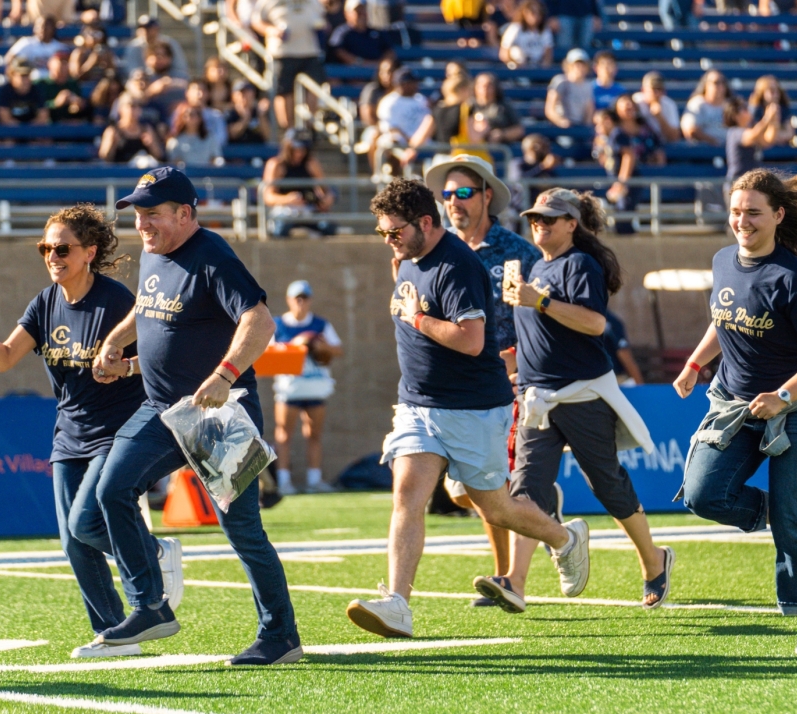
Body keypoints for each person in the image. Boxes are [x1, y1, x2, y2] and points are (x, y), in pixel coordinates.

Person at [348, 178, 590, 638]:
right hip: (417, 405)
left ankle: (564, 536)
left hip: (472, 408)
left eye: (394, 232)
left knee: (497, 508)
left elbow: (471, 340)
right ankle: (397, 603)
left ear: (424, 222)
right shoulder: (407, 256)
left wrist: (419, 318)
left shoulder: (456, 266)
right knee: (407, 496)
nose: (388, 241)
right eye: (382, 233)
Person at [0, 204, 185, 658]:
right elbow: (4, 359)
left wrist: (125, 366)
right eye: (45, 249)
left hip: (119, 429)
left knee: (85, 520)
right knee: (73, 541)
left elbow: (160, 357)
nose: (52, 256)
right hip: (69, 431)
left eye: (61, 248)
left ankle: (148, 554)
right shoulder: (45, 302)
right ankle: (116, 631)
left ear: (89, 252)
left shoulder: (116, 301)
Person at [89, 167, 303, 666]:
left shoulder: (212, 256)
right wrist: (116, 344)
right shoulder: (153, 251)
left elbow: (260, 320)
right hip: (162, 407)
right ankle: (150, 606)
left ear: (185, 214)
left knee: (243, 529)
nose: (142, 224)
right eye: (138, 214)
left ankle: (280, 636)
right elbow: (148, 306)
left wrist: (225, 375)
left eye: (153, 214)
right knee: (111, 490)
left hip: (218, 413)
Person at [673, 169, 797, 655]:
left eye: (752, 212)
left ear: (777, 215)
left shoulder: (794, 277)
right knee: (701, 493)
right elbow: (725, 316)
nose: (742, 221)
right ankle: (779, 512)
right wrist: (696, 362)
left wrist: (785, 397)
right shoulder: (721, 261)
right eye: (736, 211)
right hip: (736, 405)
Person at [477, 187, 673, 613]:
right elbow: (542, 337)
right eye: (535, 218)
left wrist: (540, 301)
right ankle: (516, 582)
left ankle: (652, 560)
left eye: (549, 218)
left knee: (606, 483)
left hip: (582, 394)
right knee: (526, 490)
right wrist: (511, 358)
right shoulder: (534, 267)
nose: (540, 225)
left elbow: (594, 323)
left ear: (571, 224)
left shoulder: (579, 264)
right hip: (537, 397)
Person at [423, 154, 542, 605]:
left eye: (464, 192)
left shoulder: (519, 252)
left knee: (488, 480)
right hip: (451, 385)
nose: (453, 202)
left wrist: (517, 358)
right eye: (447, 194)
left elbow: (539, 318)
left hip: (508, 379)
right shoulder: (436, 250)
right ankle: (541, 517)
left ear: (487, 196)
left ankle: (504, 578)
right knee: (462, 492)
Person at [272, 280, 343, 496]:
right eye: (297, 298)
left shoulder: (320, 325)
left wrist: (321, 346)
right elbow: (268, 354)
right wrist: (296, 344)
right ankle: (284, 480)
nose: (301, 303)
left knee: (314, 433)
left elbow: (338, 350)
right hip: (289, 388)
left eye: (305, 298)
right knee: (284, 434)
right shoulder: (279, 324)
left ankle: (314, 479)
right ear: (289, 300)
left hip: (315, 386)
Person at [251, 0, 327, 130]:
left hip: (310, 52)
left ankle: (309, 128)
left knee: (315, 89)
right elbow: (257, 21)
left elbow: (323, 18)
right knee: (284, 92)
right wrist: (272, 30)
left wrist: (320, 26)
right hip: (282, 53)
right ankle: (289, 131)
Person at [606, 94, 665, 233]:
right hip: (627, 181)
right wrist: (621, 183)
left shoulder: (646, 129)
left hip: (642, 178)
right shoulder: (617, 133)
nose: (628, 105)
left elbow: (658, 150)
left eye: (631, 103)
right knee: (623, 217)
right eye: (624, 103)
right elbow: (628, 157)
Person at [264, 130, 335, 236]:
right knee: (281, 229)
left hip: (307, 210)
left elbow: (326, 190)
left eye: (303, 149)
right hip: (284, 210)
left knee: (328, 227)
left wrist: (327, 199)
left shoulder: (311, 163)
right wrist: (288, 199)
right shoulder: (276, 165)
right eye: (296, 148)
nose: (300, 153)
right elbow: (268, 197)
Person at [724, 96, 777, 186]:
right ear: (735, 116)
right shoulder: (735, 132)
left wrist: (774, 120)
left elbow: (768, 141)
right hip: (737, 183)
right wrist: (767, 117)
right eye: (743, 108)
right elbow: (752, 136)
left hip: (749, 184)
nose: (747, 110)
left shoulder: (749, 129)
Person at [100, 95, 166, 164]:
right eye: (132, 106)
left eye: (138, 106)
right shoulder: (113, 130)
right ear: (121, 109)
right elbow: (104, 157)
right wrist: (113, 144)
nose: (135, 109)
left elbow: (159, 156)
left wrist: (151, 144)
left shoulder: (146, 129)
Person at [122, 17, 189, 82]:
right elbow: (132, 71)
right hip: (145, 82)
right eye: (142, 28)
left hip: (169, 80)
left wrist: (165, 80)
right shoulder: (134, 46)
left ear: (157, 29)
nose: (145, 31)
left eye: (149, 28)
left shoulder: (169, 43)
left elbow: (180, 68)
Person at [329, 0, 393, 65]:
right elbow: (337, 51)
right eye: (358, 11)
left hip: (378, 71)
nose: (362, 14)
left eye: (364, 10)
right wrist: (361, 63)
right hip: (350, 73)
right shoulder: (341, 32)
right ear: (347, 13)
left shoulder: (378, 33)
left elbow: (389, 51)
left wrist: (382, 65)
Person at [545, 49, 595, 129]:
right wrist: (560, 121)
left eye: (583, 65)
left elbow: (589, 108)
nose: (580, 68)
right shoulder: (560, 81)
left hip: (579, 127)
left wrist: (586, 127)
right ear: (569, 65)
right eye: (576, 64)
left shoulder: (588, 85)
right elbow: (550, 108)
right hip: (560, 128)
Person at [5, 16, 69, 78]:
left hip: (52, 82)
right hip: (31, 82)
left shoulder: (60, 48)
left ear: (52, 29)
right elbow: (9, 57)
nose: (42, 29)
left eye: (46, 26)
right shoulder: (26, 43)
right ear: (34, 28)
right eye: (39, 26)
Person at [0, 57, 52, 128]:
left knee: (43, 138)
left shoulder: (36, 90)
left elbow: (43, 116)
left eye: (28, 75)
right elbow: (5, 118)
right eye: (22, 75)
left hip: (32, 133)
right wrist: (22, 129)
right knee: (8, 138)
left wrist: (29, 130)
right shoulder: (5, 91)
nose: (26, 79)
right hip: (11, 132)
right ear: (12, 75)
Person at [471, 73, 524, 144]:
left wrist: (502, 134)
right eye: (482, 86)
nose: (485, 89)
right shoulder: (469, 106)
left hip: (501, 149)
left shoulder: (504, 106)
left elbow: (518, 130)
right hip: (473, 147)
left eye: (489, 86)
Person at [681, 70, 729, 146]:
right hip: (702, 149)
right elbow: (690, 130)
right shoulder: (697, 103)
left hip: (729, 147)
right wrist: (713, 141)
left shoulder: (730, 105)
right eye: (716, 83)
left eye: (723, 82)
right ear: (706, 85)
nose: (720, 86)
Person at [39, 51, 90, 123]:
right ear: (50, 65)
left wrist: (77, 103)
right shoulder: (42, 84)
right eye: (60, 62)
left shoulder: (73, 84)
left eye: (65, 62)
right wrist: (55, 103)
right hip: (48, 125)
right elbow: (37, 107)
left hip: (69, 123)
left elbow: (80, 106)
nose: (63, 66)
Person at [499, 0, 554, 66]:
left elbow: (548, 53)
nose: (536, 16)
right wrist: (514, 65)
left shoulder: (545, 30)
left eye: (539, 13)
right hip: (517, 68)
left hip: (537, 66)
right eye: (533, 13)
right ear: (524, 12)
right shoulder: (515, 28)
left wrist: (543, 69)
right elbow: (504, 53)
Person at [747, 75, 795, 148]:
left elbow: (789, 133)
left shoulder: (783, 108)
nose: (776, 94)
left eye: (778, 91)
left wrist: (772, 137)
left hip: (781, 149)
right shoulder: (755, 109)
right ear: (762, 92)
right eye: (772, 91)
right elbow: (755, 133)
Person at [633, 71, 680, 143]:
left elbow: (674, 137)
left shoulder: (669, 105)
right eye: (654, 90)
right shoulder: (635, 102)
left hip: (662, 144)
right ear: (643, 90)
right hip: (639, 142)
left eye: (660, 90)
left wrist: (660, 117)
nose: (658, 93)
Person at [603, 311, 644, 385]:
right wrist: (641, 387)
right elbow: (624, 355)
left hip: (586, 380)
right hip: (610, 379)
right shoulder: (610, 321)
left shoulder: (610, 321)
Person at [226, 81, 272, 145]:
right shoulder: (230, 113)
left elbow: (268, 136)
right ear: (233, 96)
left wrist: (261, 115)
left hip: (258, 151)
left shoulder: (259, 111)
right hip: (236, 152)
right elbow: (232, 134)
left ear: (253, 94)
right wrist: (245, 119)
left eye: (247, 92)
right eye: (240, 92)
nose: (243, 95)